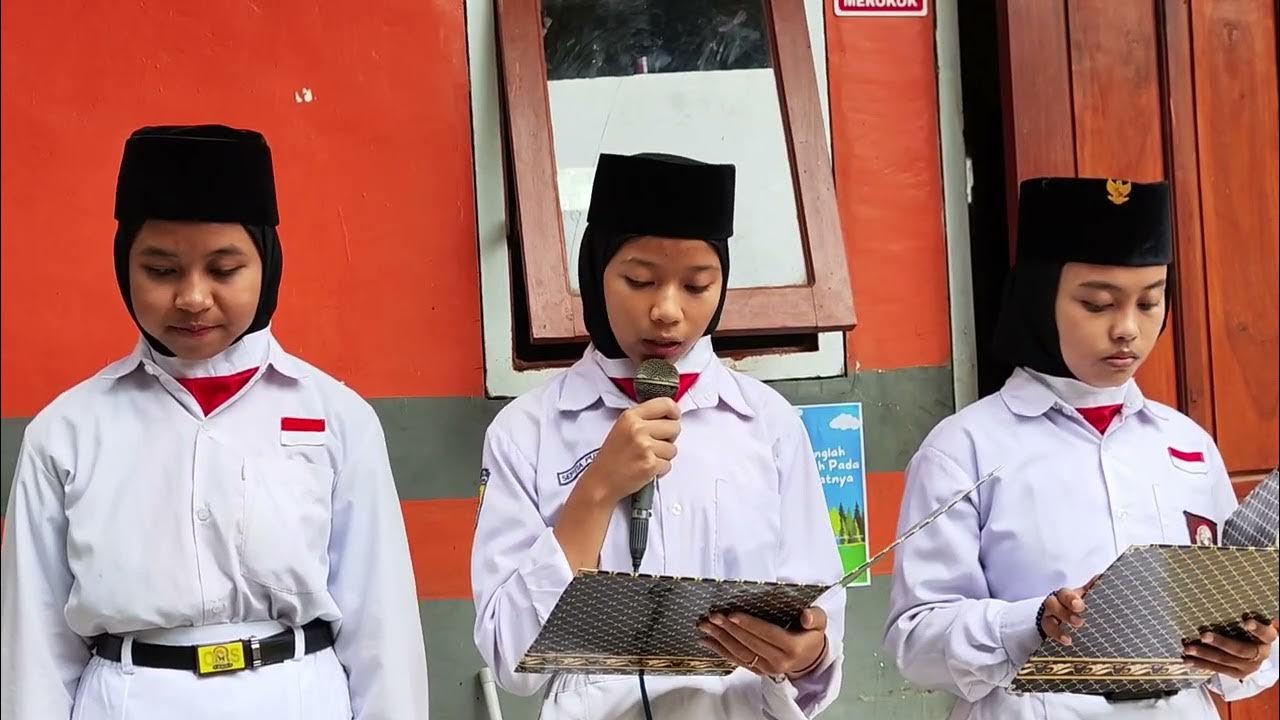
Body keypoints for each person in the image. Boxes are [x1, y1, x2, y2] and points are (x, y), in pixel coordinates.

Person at [0, 124, 429, 719]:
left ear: (268, 265)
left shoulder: (336, 418)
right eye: (161, 270)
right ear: (125, 266)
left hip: (297, 697)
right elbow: (35, 646)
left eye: (224, 270)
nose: (193, 297)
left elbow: (382, 625)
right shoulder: (65, 432)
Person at [883, 177, 1278, 719]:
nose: (1127, 330)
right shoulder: (965, 448)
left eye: (1149, 302)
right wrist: (1033, 623)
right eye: (1096, 305)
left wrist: (1249, 653)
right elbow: (915, 640)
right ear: (1040, 299)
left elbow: (1236, 629)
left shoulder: (1186, 443)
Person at [471, 152, 845, 718]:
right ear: (595, 273)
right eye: (639, 280)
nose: (667, 311)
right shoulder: (527, 431)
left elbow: (819, 608)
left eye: (697, 286)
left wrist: (807, 651)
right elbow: (508, 656)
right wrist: (596, 491)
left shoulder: (769, 424)